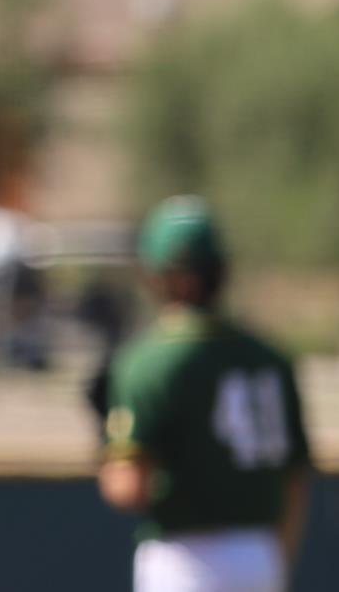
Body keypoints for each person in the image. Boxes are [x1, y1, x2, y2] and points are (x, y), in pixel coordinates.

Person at [98, 196, 313, 592]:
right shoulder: (270, 359)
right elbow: (295, 479)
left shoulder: (149, 361)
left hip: (185, 561)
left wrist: (104, 444)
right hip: (259, 553)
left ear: (161, 276)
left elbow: (128, 486)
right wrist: (275, 560)